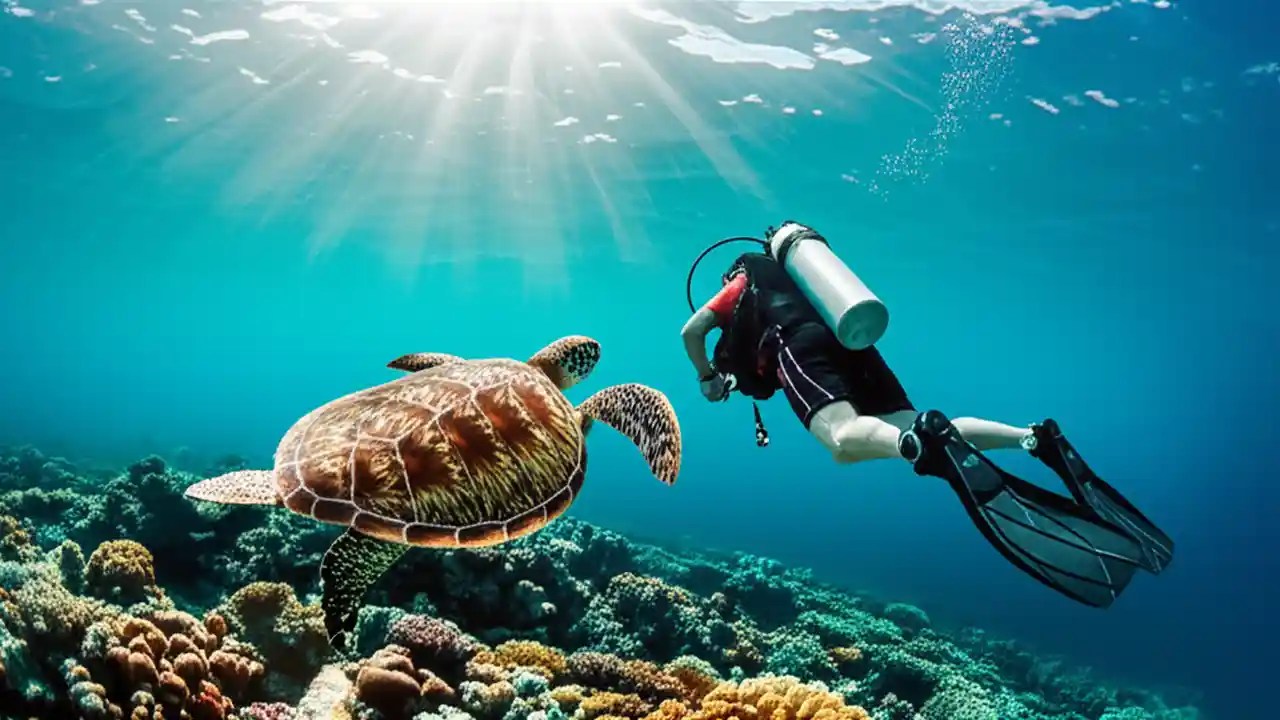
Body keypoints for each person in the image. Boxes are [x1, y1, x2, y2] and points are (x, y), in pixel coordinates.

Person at [682, 245, 1174, 608]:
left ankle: (921, 446)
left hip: (798, 345)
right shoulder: (809, 283)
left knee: (842, 439)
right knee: (916, 422)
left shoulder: (742, 284)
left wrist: (706, 376)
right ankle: (1030, 437)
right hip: (852, 344)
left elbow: (692, 332)